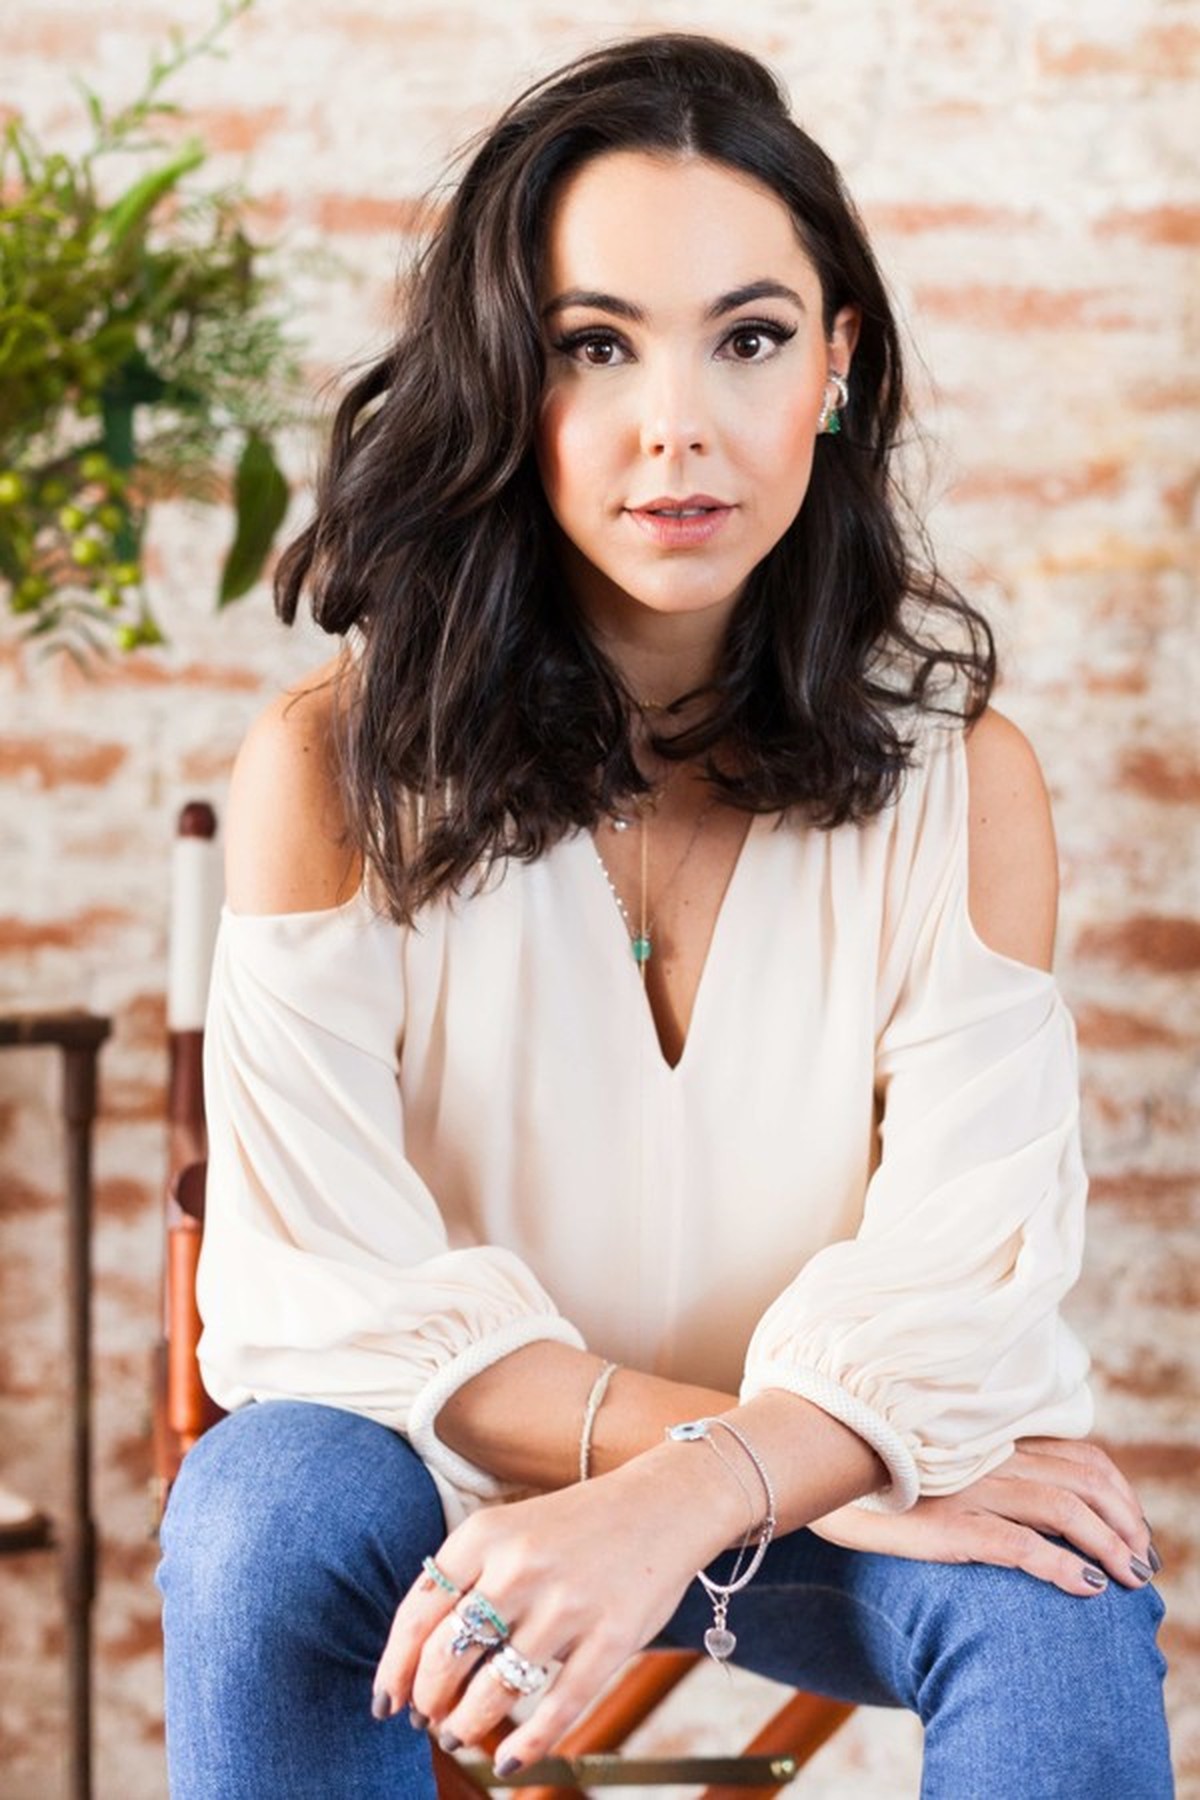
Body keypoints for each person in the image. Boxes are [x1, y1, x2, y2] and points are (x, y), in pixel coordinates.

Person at [156, 32, 1173, 1799]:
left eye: (751, 338)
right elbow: (321, 1303)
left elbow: (966, 1283)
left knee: (1059, 1586)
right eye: (596, 346)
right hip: (461, 1489)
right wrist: (690, 1452)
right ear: (504, 378)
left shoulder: (964, 789)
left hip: (828, 1492)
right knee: (268, 1502)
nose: (678, 423)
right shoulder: (329, 775)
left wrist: (712, 1486)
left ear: (838, 370)